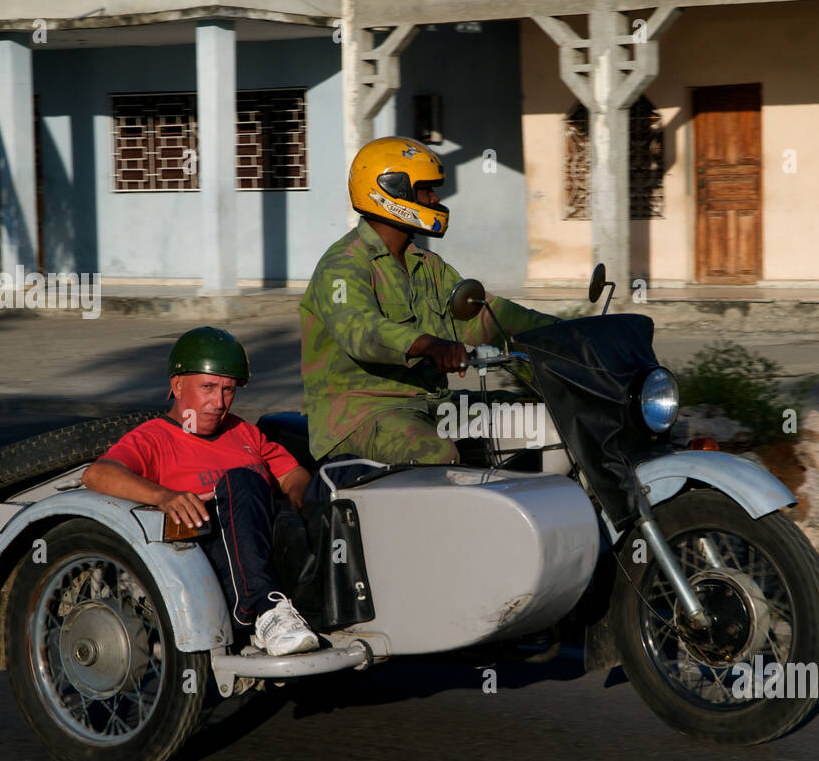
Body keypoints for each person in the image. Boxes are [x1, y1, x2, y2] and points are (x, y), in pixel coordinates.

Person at [300, 135, 559, 464]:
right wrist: (429, 345)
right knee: (433, 452)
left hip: (433, 404)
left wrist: (567, 332)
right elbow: (362, 331)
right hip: (361, 414)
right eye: (425, 190)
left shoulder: (427, 266)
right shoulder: (343, 264)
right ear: (392, 191)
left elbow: (485, 316)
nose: (435, 198)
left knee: (539, 420)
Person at [80, 326, 319, 657]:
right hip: (214, 554)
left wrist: (300, 499)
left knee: (346, 474)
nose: (219, 403)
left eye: (229, 391)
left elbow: (293, 474)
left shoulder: (244, 432)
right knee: (243, 481)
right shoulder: (154, 437)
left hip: (275, 540)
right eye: (208, 388)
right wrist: (165, 496)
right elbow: (98, 474)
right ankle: (266, 612)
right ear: (177, 386)